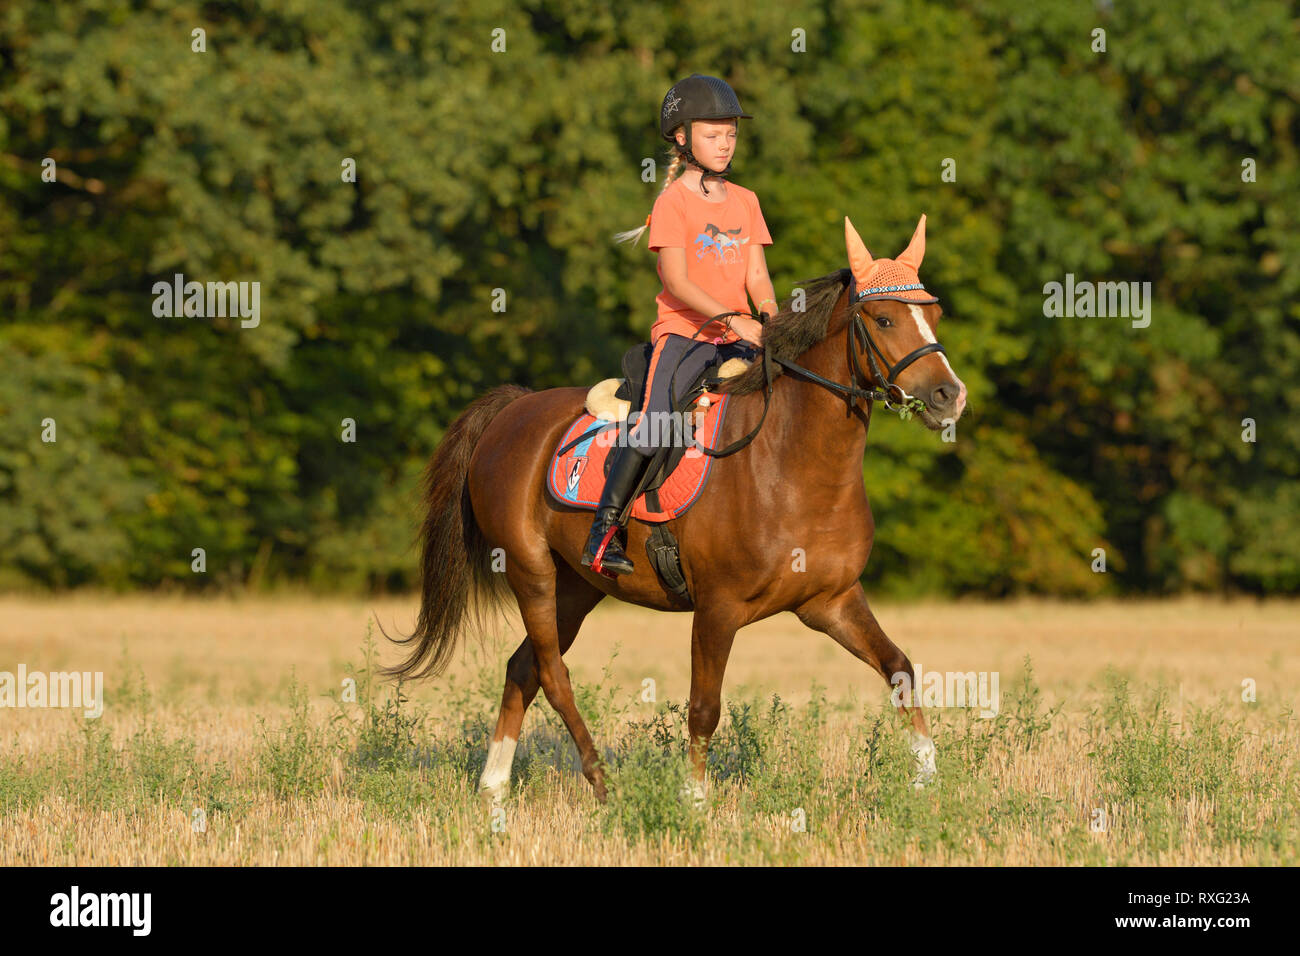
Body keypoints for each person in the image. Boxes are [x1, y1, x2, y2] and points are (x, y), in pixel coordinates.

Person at [582, 73, 777, 576]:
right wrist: (734, 320)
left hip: (740, 335)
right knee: (657, 425)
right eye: (713, 134)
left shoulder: (746, 201)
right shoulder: (673, 203)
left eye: (731, 133)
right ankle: (604, 532)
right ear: (682, 137)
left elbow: (756, 272)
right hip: (686, 336)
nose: (725, 143)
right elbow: (678, 279)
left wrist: (772, 318)